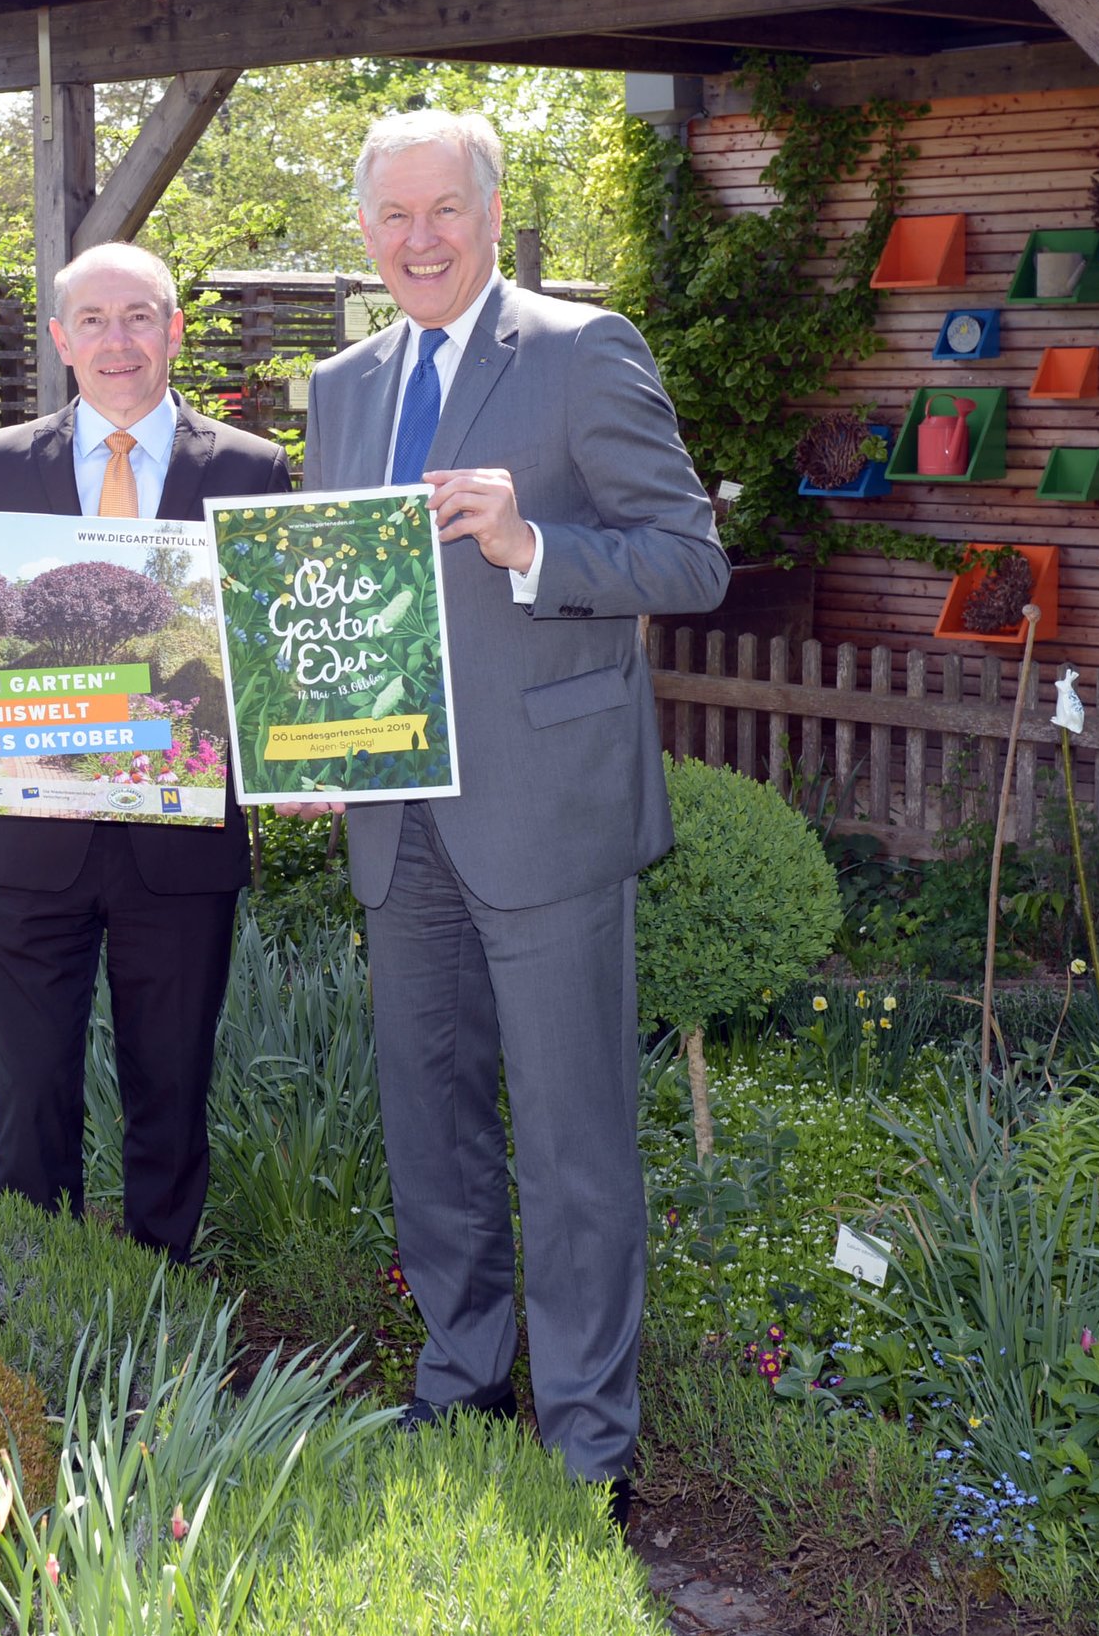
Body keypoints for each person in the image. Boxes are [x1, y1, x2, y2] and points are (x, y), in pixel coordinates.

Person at [295, 109, 728, 1520]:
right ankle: (461, 1381)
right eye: (392, 215)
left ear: (492, 213)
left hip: (545, 807)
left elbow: (689, 559)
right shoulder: (342, 384)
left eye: (445, 211)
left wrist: (532, 539)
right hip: (393, 809)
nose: (418, 239)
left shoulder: (580, 348)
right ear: (362, 226)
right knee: (431, 1124)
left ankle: (589, 1439)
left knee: (571, 1132)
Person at [0, 241, 289, 1265]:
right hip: (34, 834)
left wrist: (307, 756)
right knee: (29, 1091)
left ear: (173, 330)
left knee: (171, 1085)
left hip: (183, 839)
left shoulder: (248, 467)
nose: (118, 341)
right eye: (94, 321)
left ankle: (162, 1285)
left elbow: (275, 644)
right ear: (61, 340)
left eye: (139, 316)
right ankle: (43, 1286)